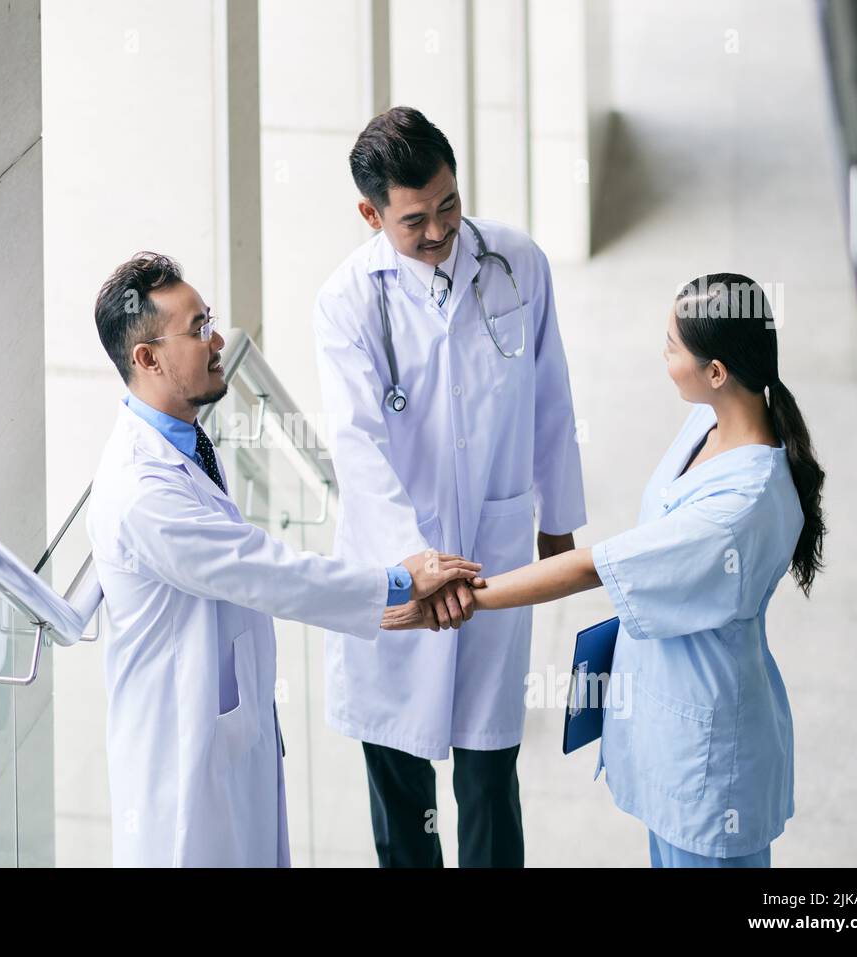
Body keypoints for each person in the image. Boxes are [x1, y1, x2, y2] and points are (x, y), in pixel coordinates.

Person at [384, 274, 827, 867]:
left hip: (710, 758)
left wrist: (463, 599)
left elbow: (597, 565)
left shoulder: (739, 509)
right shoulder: (711, 423)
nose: (663, 353)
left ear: (716, 371)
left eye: (673, 345)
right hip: (673, 723)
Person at [85, 252, 483, 867]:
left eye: (208, 319)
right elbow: (261, 570)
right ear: (147, 358)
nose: (217, 340)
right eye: (197, 329)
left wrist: (385, 604)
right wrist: (399, 584)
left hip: (225, 734)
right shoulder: (143, 491)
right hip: (181, 760)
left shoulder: (183, 439)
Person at [313, 106, 587, 867]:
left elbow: (552, 399)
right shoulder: (347, 302)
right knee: (401, 787)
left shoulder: (516, 263)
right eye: (413, 221)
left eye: (448, 206)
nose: (438, 232)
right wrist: (416, 562)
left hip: (495, 551)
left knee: (490, 774)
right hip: (395, 566)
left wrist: (556, 531)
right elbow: (358, 446)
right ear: (371, 213)